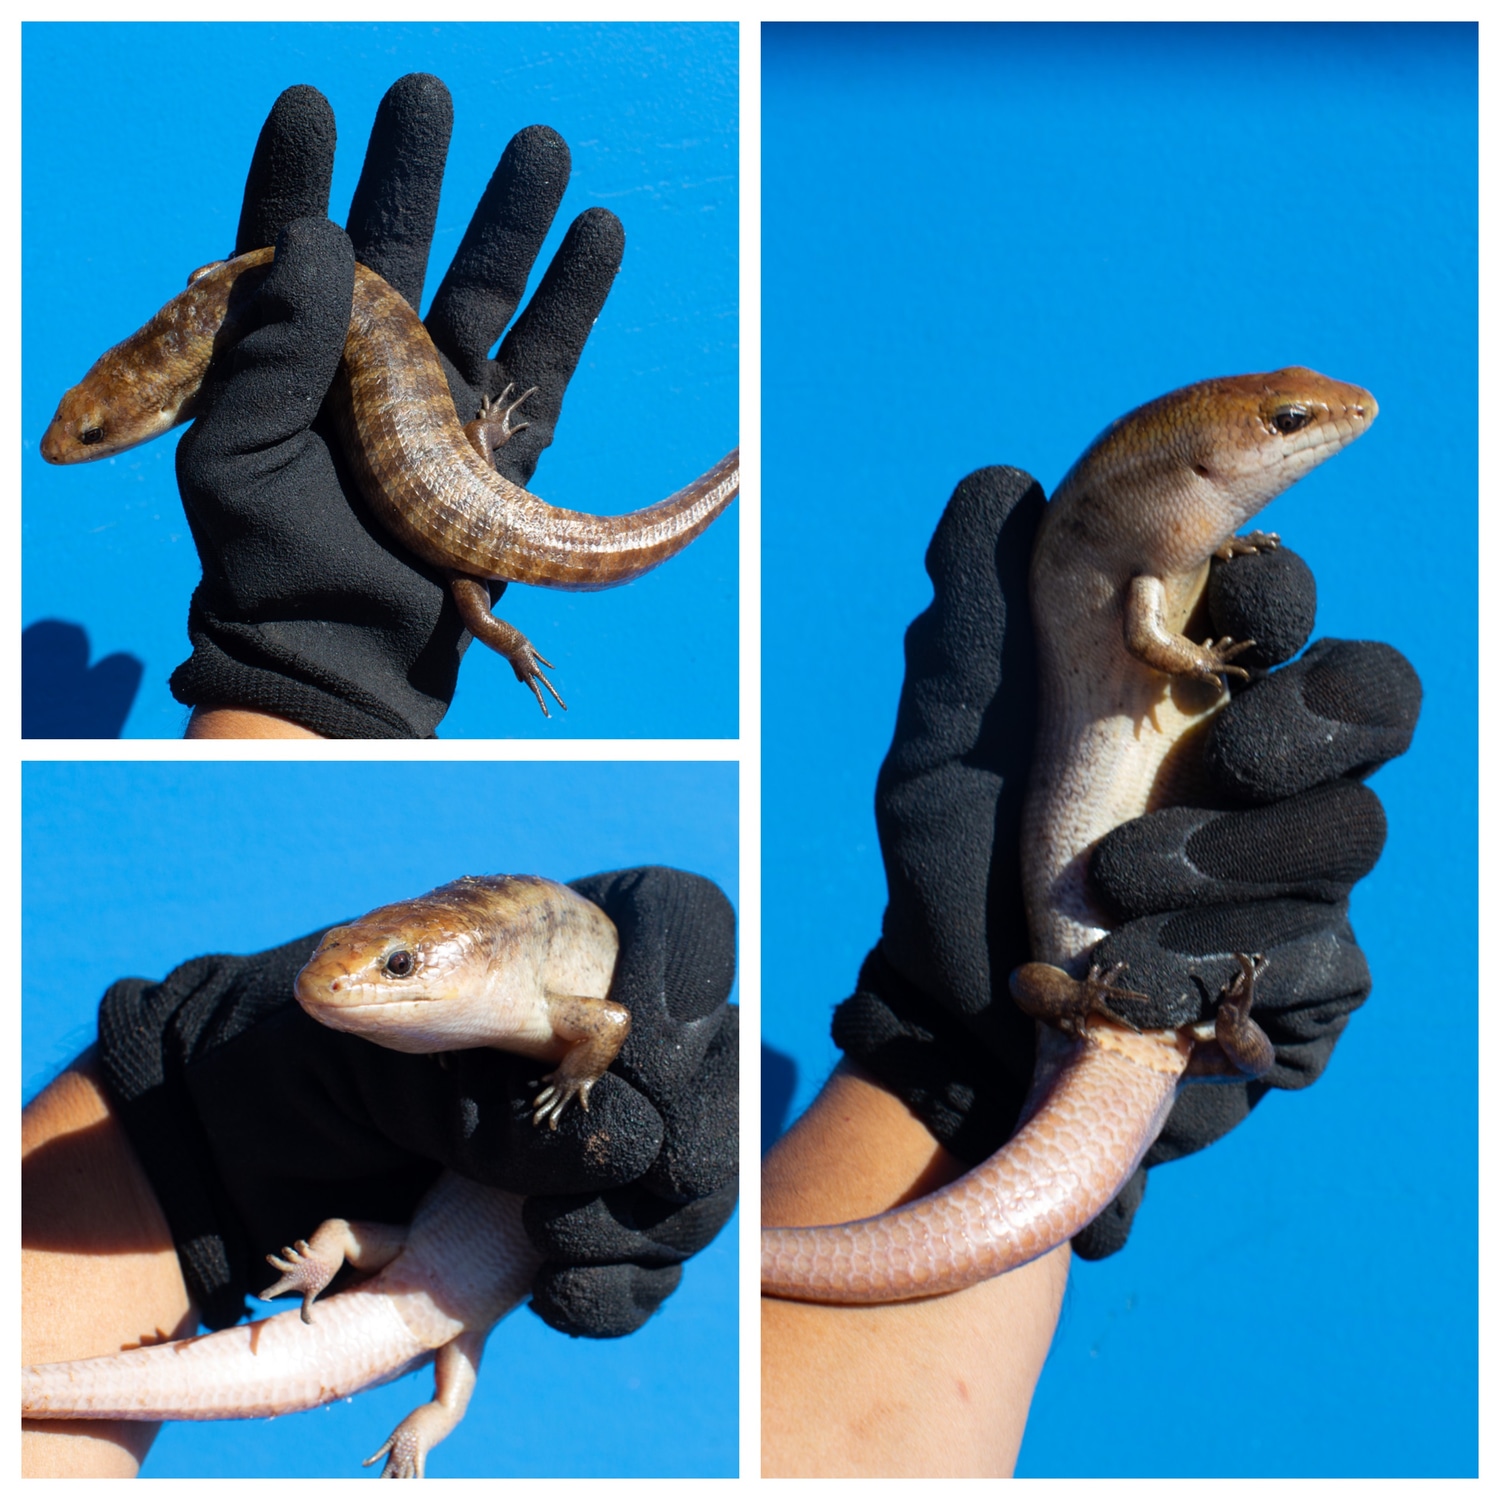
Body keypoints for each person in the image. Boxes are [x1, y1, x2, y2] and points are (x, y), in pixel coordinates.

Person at [761, 466, 1421, 1476]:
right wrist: (977, 1058)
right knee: (1205, 1011)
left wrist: (961, 1071)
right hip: (1151, 1046)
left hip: (1099, 1060)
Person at [22, 866, 738, 1478]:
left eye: (399, 966)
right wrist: (174, 1137)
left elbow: (609, 1025)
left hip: (421, 1272)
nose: (331, 981)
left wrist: (167, 1158)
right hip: (438, 1269)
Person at [110, 74, 632, 739]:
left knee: (472, 603)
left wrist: (295, 671)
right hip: (465, 487)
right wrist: (485, 439)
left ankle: (515, 640)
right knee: (468, 598)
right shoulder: (469, 555)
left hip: (459, 508)